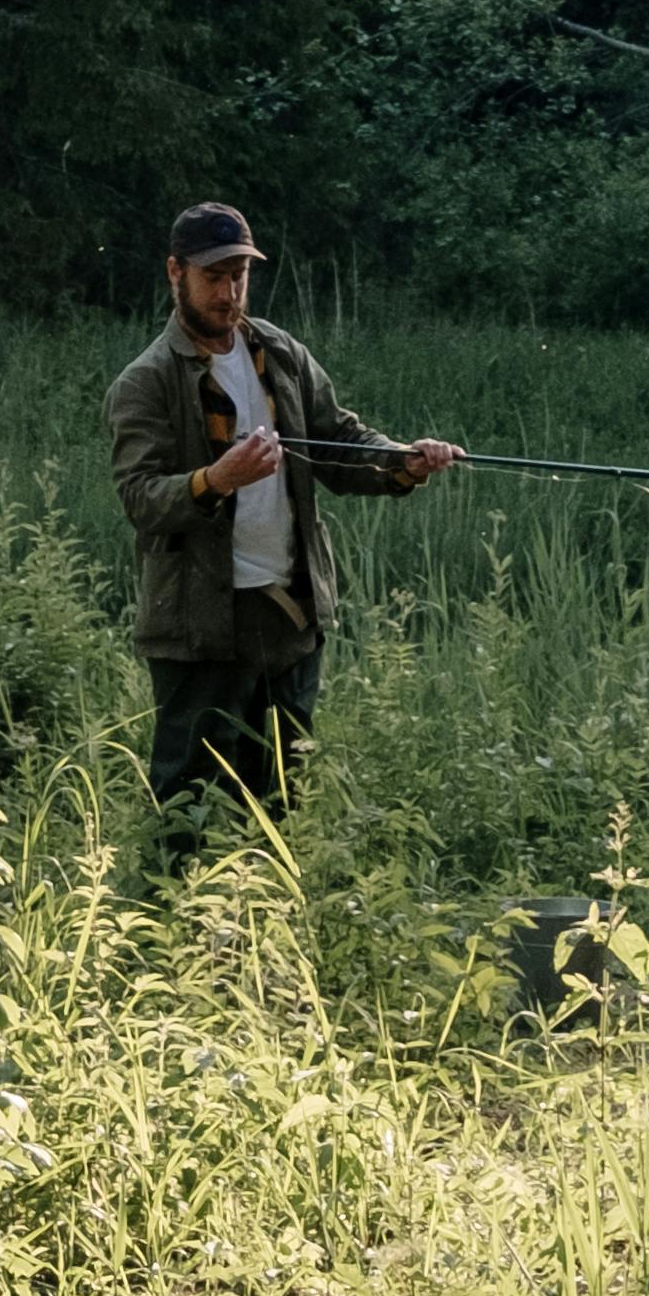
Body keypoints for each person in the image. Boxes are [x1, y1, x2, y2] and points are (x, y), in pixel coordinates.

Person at [108, 199, 463, 837]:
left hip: (290, 616)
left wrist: (404, 462)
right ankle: (165, 927)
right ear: (175, 272)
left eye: (239, 274)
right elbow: (141, 499)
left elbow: (340, 442)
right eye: (213, 276)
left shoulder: (280, 353)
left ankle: (266, 928)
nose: (229, 291)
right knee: (186, 808)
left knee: (278, 803)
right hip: (200, 628)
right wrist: (218, 479)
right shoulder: (147, 381)